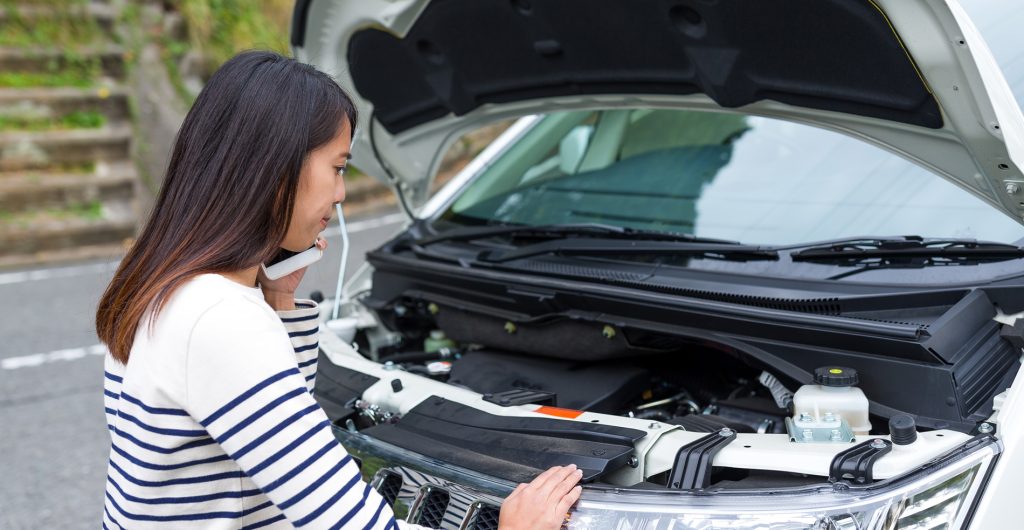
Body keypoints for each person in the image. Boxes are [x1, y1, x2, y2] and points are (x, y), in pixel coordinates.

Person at [95, 50, 582, 529]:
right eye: (339, 167)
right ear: (276, 167)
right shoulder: (220, 319)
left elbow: (275, 434)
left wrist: (280, 299)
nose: (342, 193)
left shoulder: (160, 280)